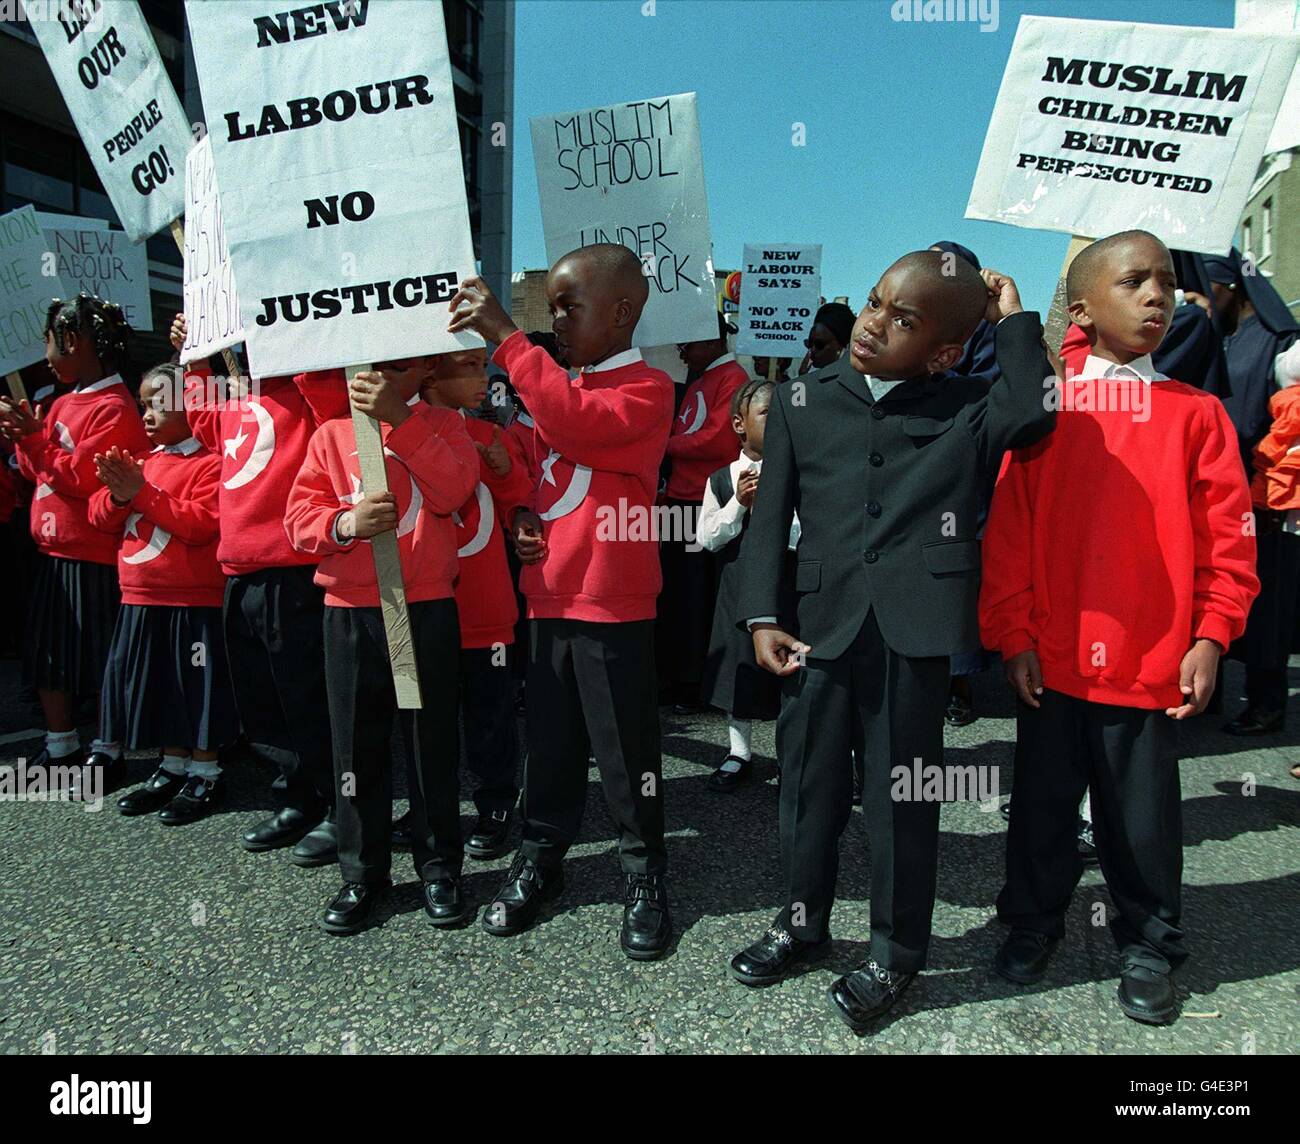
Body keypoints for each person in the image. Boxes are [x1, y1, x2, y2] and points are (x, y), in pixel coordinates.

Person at [730, 250, 1054, 1033]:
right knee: (805, 789)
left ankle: (896, 952)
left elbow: (1037, 409)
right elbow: (772, 514)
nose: (874, 323)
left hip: (914, 638)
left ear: (944, 351)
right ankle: (802, 924)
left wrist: (1011, 320)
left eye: (903, 319)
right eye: (876, 303)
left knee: (901, 799)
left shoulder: (970, 404)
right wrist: (762, 614)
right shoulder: (804, 397)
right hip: (815, 628)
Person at [980, 230, 1259, 1026]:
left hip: (1151, 665)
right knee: (1040, 810)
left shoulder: (1196, 414)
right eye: (1133, 281)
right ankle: (1032, 923)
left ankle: (1149, 940)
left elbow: (1229, 539)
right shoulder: (1049, 412)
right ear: (1082, 308)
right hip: (1055, 660)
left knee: (1142, 819)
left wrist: (1211, 634)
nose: (1157, 296)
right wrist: (1014, 635)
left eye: (1165, 283)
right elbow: (1009, 534)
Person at [447, 244, 676, 960]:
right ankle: (541, 857)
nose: (557, 320)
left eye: (570, 306)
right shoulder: (554, 381)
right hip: (548, 599)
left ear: (623, 311)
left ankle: (644, 873)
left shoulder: (648, 388)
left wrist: (508, 341)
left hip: (613, 603)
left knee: (625, 749)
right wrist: (520, 513)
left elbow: (574, 422)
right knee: (549, 746)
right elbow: (528, 462)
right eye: (552, 308)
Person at [285, 358, 478, 934]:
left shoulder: (445, 425)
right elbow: (297, 520)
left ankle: (439, 866)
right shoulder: (330, 435)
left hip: (422, 610)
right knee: (355, 748)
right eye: (367, 368)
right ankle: (362, 873)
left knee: (429, 744)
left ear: (420, 371)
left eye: (394, 368)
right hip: (349, 614)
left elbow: (453, 492)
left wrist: (403, 421)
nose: (375, 380)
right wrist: (344, 524)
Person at [173, 313, 346, 866]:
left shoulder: (306, 389)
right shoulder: (236, 396)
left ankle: (342, 809)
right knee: (263, 699)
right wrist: (194, 356)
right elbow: (202, 420)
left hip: (293, 572)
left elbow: (337, 413)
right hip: (240, 573)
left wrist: (296, 344)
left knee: (309, 698)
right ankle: (297, 794)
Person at [0, 295, 150, 793]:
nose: (44, 356)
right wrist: (22, 440)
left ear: (74, 341)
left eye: (49, 343)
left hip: (91, 553)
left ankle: (108, 748)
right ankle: (60, 741)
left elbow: (84, 477)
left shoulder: (115, 407)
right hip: (49, 551)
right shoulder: (58, 400)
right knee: (47, 652)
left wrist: (36, 441)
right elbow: (33, 471)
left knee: (100, 655)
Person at [88, 364, 237, 823]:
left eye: (159, 402)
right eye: (144, 403)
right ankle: (172, 765)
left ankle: (205, 770)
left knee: (197, 687)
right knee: (163, 687)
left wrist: (141, 494)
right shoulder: (142, 461)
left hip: (192, 601)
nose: (147, 414)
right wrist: (117, 495)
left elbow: (199, 526)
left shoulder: (211, 463)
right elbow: (98, 515)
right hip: (141, 597)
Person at [410, 346, 532, 859]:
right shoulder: (396, 433)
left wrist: (505, 474)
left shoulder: (490, 434)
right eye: (471, 367)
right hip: (420, 609)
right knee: (424, 721)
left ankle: (497, 802)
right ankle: (431, 810)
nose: (486, 378)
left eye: (485, 365)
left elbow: (522, 504)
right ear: (431, 372)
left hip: (485, 610)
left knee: (490, 717)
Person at [1204, 250, 1300, 736]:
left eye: (1210, 289)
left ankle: (1267, 703)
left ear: (1234, 287)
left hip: (1260, 496)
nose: (1202, 299)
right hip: (1221, 486)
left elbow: (1290, 422)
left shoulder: (1281, 344)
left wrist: (1270, 492)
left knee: (1266, 604)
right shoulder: (1220, 336)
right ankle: (1211, 691)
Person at [697, 378, 798, 790]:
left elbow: (803, 536)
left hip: (787, 588)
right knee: (737, 670)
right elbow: (706, 538)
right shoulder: (721, 479)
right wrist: (738, 504)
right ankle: (739, 752)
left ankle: (793, 755)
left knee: (793, 670)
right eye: (767, 415)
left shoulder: (798, 474)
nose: (778, 424)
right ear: (740, 424)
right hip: (738, 590)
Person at [659, 313, 748, 712]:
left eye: (688, 343)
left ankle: (693, 683)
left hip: (703, 503)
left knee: (695, 599)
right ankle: (676, 675)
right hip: (679, 498)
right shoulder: (704, 378)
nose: (681, 351)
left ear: (711, 341)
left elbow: (717, 439)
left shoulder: (732, 379)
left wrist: (663, 445)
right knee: (675, 595)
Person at [798, 302, 855, 376]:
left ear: (840, 347)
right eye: (809, 343)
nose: (812, 350)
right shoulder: (804, 378)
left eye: (820, 345)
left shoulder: (852, 380)